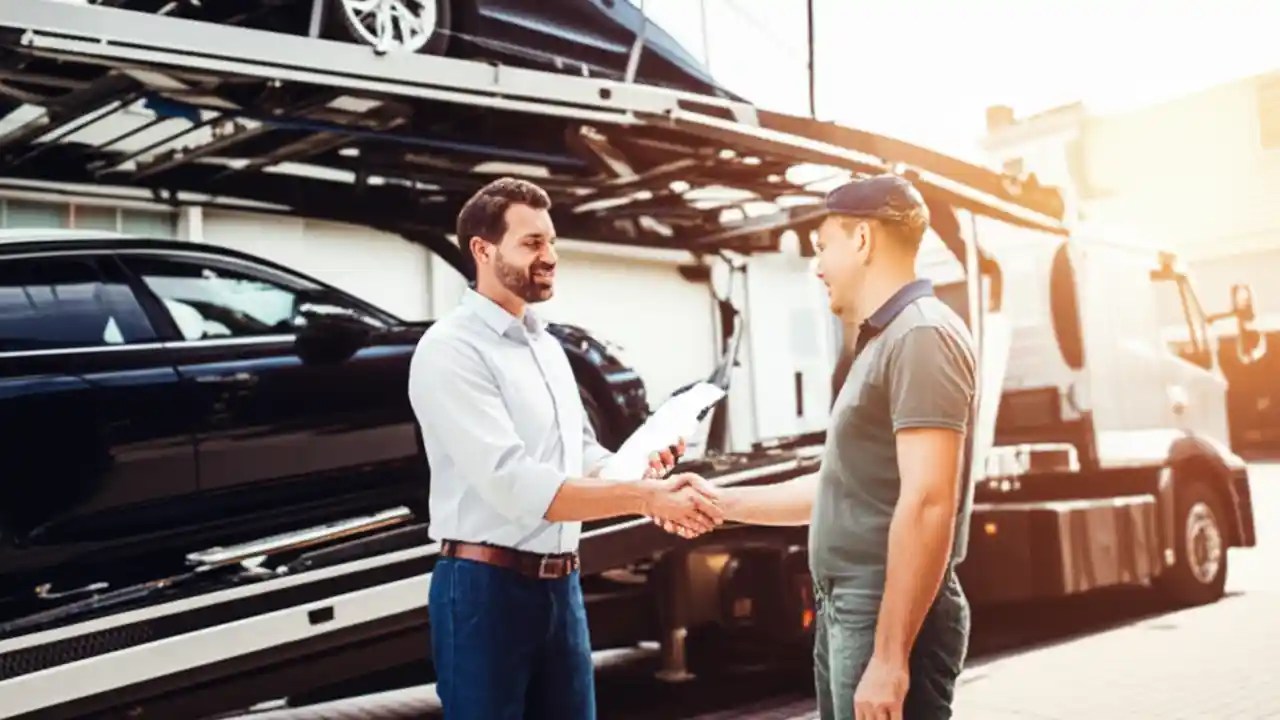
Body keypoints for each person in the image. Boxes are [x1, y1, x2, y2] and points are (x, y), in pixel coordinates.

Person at [662, 174, 978, 720]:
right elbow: (841, 487)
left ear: (862, 240)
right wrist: (720, 504)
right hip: (849, 605)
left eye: (822, 246)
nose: (817, 265)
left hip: (879, 606)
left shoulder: (921, 336)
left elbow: (930, 503)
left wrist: (889, 659)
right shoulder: (884, 339)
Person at [408, 177, 722, 720]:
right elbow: (514, 483)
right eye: (532, 243)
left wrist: (637, 470)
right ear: (483, 250)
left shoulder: (547, 346)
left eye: (551, 242)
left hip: (562, 587)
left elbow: (576, 453)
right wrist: (643, 500)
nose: (550, 256)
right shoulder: (450, 350)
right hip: (485, 590)